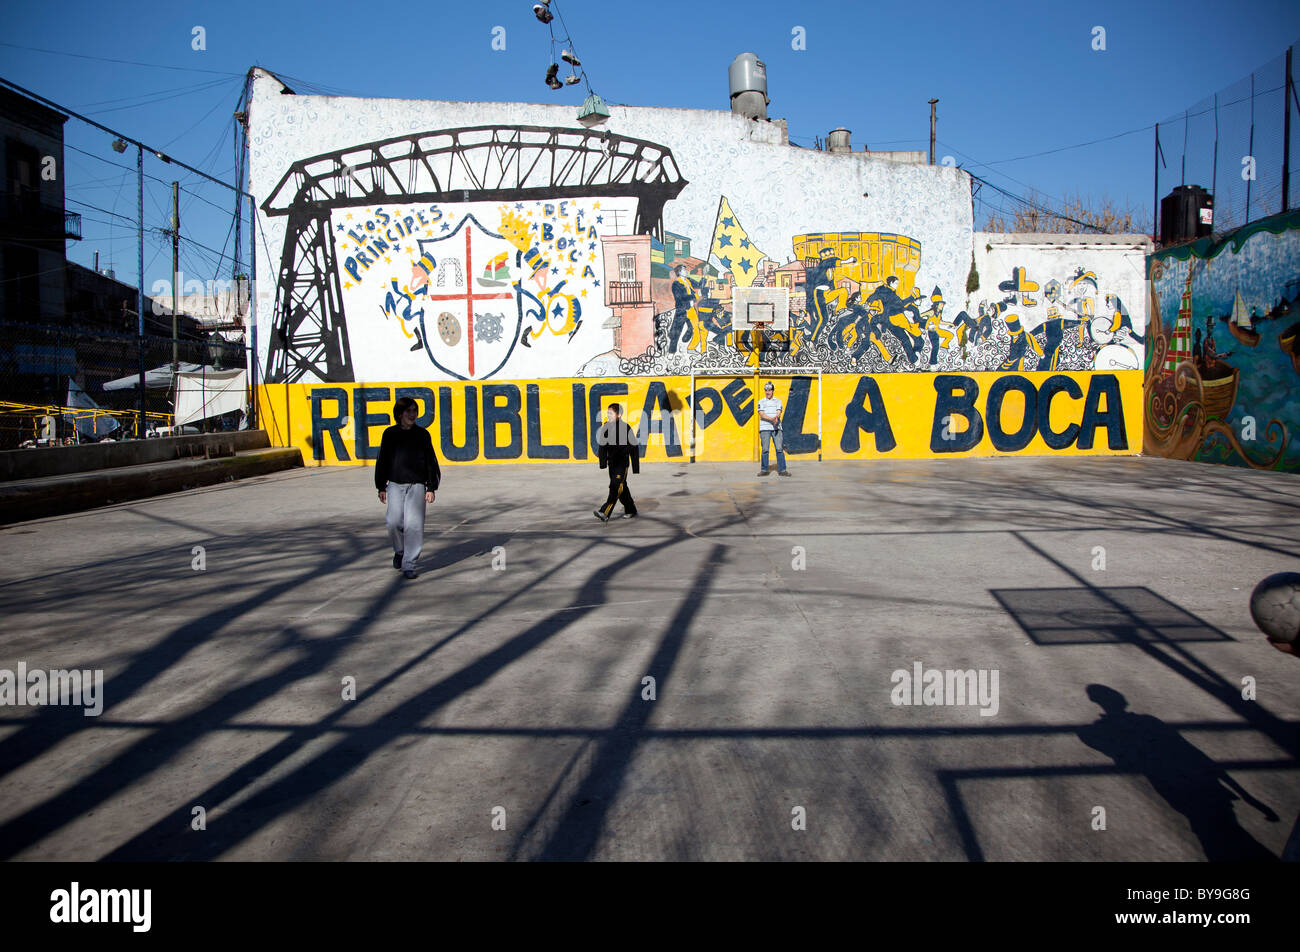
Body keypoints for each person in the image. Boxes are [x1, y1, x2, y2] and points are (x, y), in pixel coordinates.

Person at [375, 396, 440, 579]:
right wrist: (381, 485)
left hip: (417, 485)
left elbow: (430, 462)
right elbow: (383, 460)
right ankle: (400, 550)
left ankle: (409, 564)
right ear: (400, 413)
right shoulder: (390, 434)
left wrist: (431, 487)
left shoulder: (422, 435)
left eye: (414, 411)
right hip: (395, 484)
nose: (412, 414)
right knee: (393, 522)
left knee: (414, 525)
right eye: (408, 411)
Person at [594, 403, 639, 521]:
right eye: (607, 413)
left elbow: (634, 447)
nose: (608, 415)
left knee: (615, 486)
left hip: (622, 464)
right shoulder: (606, 427)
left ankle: (605, 512)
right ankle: (631, 509)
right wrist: (602, 462)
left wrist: (635, 466)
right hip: (612, 464)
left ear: (619, 414)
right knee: (622, 487)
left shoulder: (626, 427)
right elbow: (602, 446)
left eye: (611, 413)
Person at [756, 381, 789, 476]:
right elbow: (761, 415)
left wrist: (777, 418)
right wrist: (772, 419)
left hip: (776, 428)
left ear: (773, 391)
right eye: (766, 390)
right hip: (764, 428)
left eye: (769, 390)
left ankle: (782, 470)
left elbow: (779, 412)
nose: (767, 392)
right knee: (765, 449)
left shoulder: (777, 401)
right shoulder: (761, 401)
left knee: (779, 449)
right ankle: (764, 470)